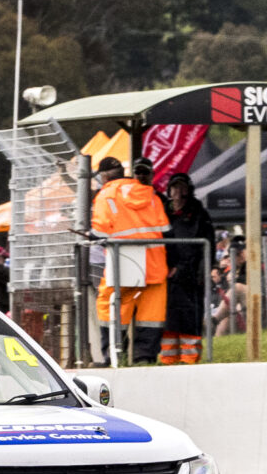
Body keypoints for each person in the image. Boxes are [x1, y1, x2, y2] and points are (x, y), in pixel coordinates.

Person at [91, 155, 171, 364]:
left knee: (110, 305)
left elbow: (99, 232)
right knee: (151, 315)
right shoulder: (150, 194)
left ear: (103, 175)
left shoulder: (106, 195)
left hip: (123, 262)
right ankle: (144, 357)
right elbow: (166, 230)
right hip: (155, 264)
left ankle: (114, 354)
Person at [156, 170, 217, 365]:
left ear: (188, 190)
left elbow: (208, 243)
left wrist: (202, 272)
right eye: (174, 187)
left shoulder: (198, 213)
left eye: (182, 187)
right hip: (167, 274)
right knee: (169, 318)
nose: (178, 191)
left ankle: (190, 358)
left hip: (191, 276)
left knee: (191, 317)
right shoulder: (163, 212)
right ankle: (169, 357)